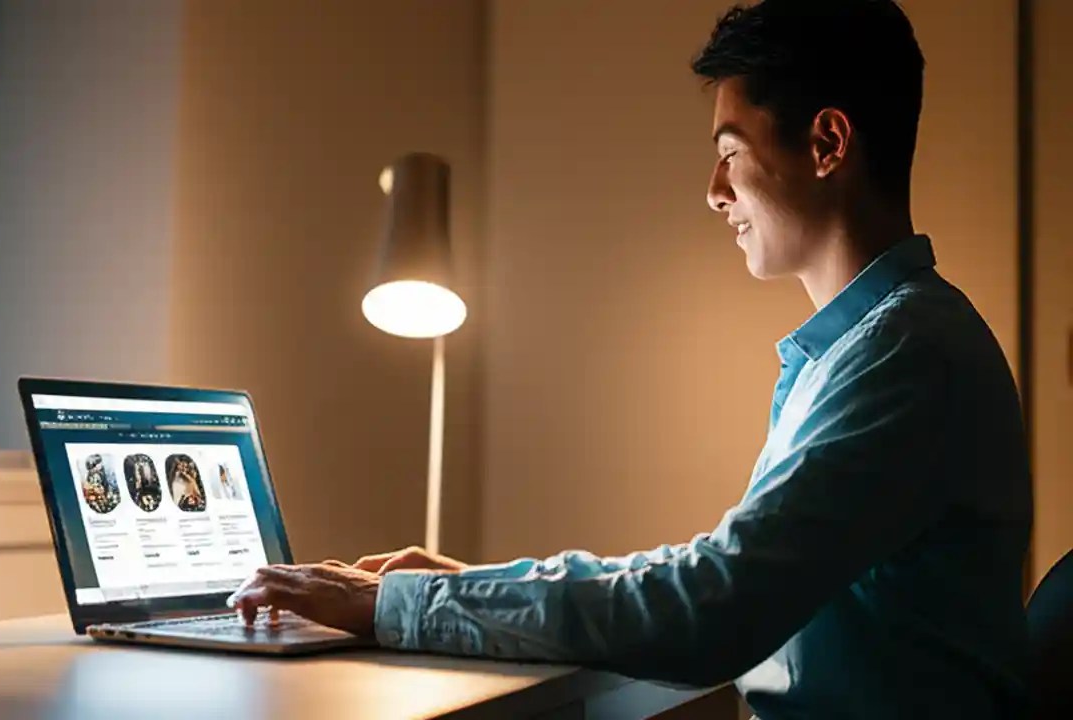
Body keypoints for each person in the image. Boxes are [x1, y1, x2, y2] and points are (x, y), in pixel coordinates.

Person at [228, 1, 1032, 716]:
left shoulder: (904, 353)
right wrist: (466, 585)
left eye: (730, 150)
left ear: (827, 142)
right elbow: (711, 574)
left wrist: (397, 606)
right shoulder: (860, 350)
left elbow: (711, 607)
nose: (715, 190)